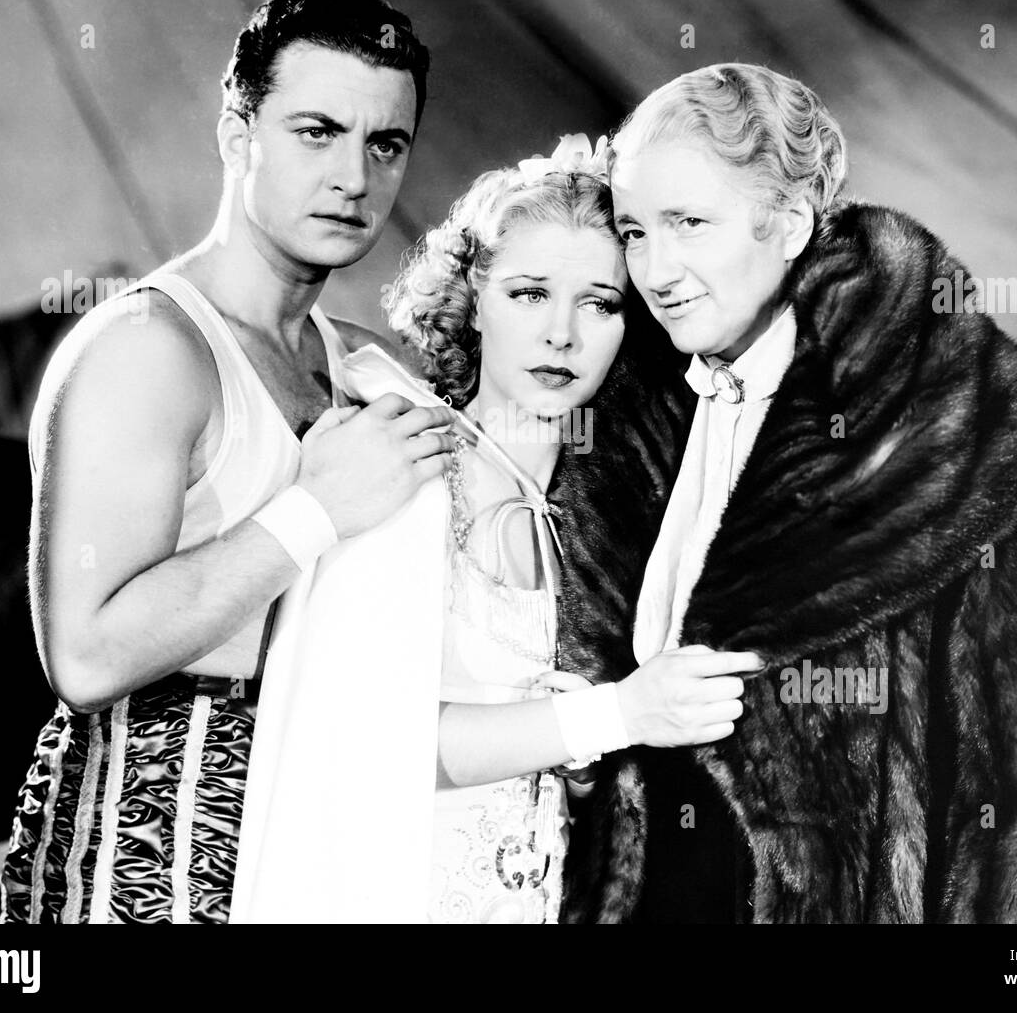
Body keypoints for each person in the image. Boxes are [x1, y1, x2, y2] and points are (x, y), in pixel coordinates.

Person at [556, 64, 1017, 923]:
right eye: (634, 231)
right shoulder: (627, 414)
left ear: (787, 223)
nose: (655, 268)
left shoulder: (943, 433)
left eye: (689, 224)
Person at [0, 0, 456, 924]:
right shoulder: (148, 350)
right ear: (237, 135)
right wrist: (313, 508)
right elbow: (83, 656)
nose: (353, 179)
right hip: (146, 856)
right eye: (315, 131)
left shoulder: (366, 363)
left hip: (316, 841)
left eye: (385, 145)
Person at [230, 136, 758, 924]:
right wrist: (618, 714)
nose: (562, 335)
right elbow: (380, 735)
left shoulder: (591, 519)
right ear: (473, 298)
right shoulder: (403, 465)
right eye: (529, 293)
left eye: (599, 302)